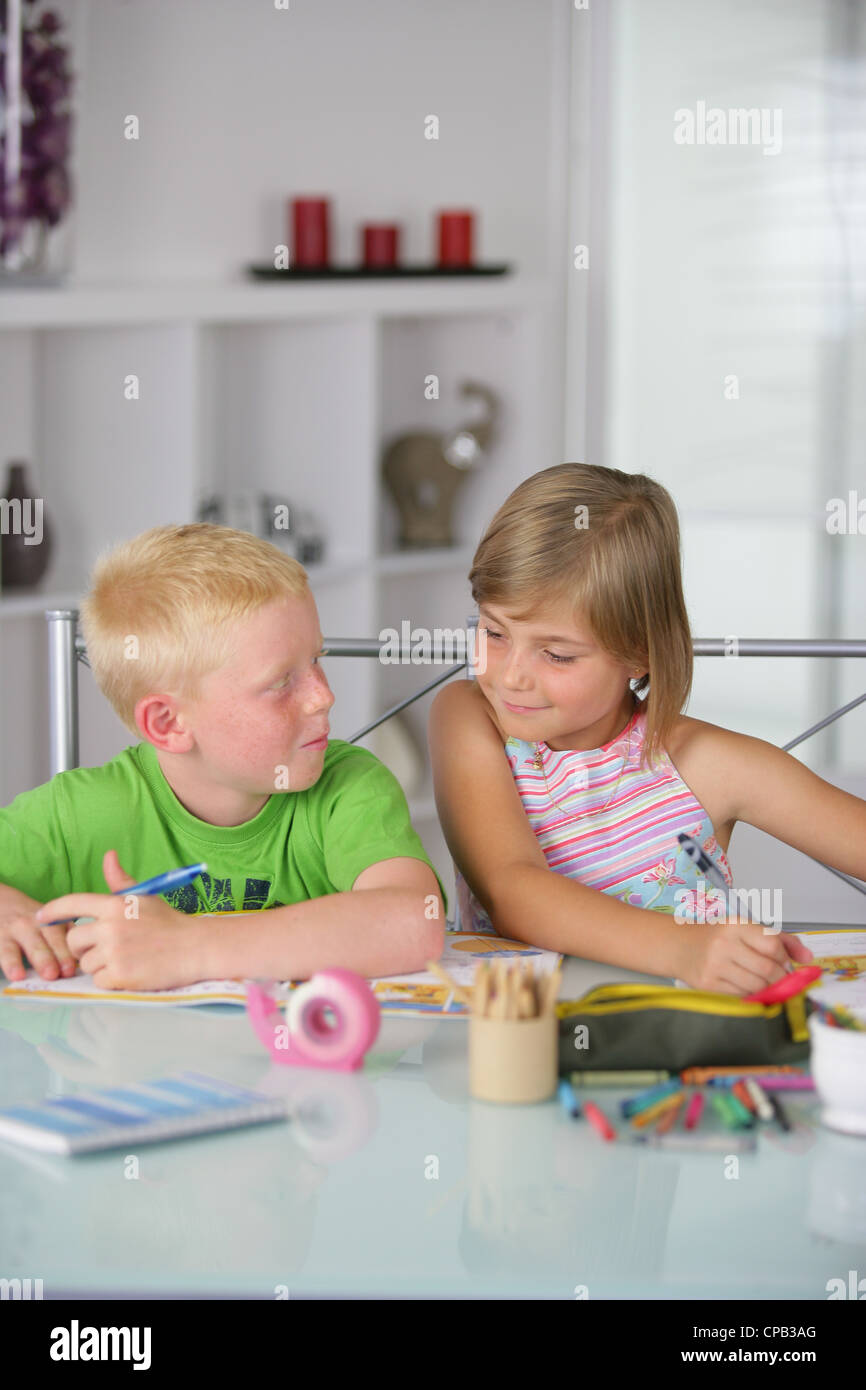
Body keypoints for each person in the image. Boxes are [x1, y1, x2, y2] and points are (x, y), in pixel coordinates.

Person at [429, 463, 866, 995]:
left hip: (691, 1038)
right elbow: (512, 892)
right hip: (520, 1044)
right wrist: (685, 947)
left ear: (639, 653)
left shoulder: (709, 764)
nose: (509, 675)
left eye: (557, 654)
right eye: (494, 631)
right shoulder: (469, 717)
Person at [0, 524, 445, 989]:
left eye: (317, 658)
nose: (323, 696)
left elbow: (416, 920)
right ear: (169, 724)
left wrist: (188, 946)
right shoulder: (81, 814)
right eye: (280, 682)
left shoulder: (348, 788)